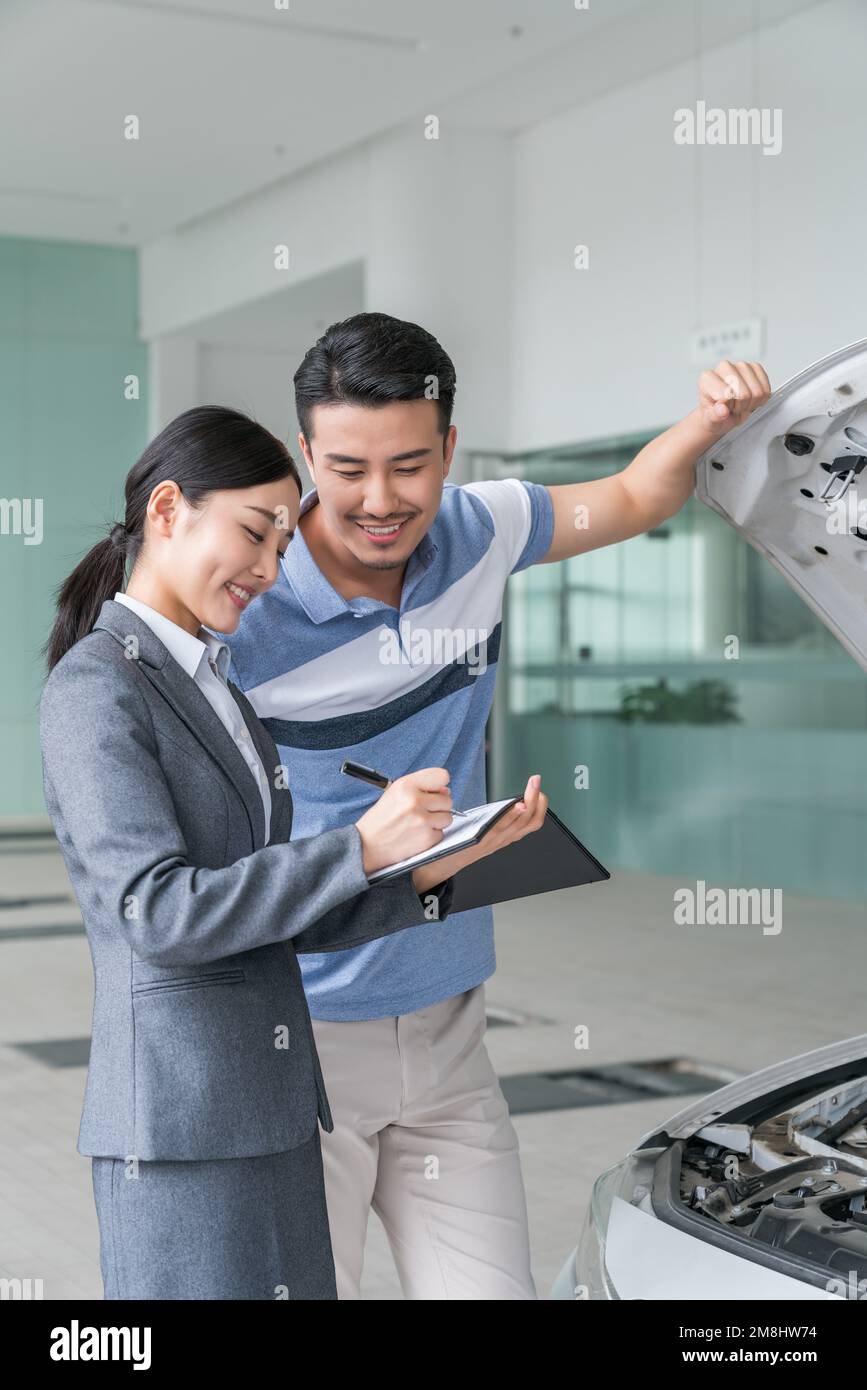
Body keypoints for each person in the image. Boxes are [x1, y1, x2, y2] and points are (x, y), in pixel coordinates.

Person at [221, 312, 772, 1299]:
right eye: (346, 468)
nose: (380, 501)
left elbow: (638, 495)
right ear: (306, 453)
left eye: (409, 465)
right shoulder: (248, 605)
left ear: (449, 449)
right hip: (296, 1042)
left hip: (450, 1025)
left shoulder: (481, 529)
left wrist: (704, 421)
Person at [38, 404, 547, 1300]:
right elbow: (157, 915)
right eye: (253, 533)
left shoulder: (216, 684)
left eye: (281, 543)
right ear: (167, 510)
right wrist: (357, 844)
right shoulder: (96, 689)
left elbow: (267, 915)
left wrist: (428, 872)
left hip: (273, 1109)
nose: (269, 571)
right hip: (183, 1127)